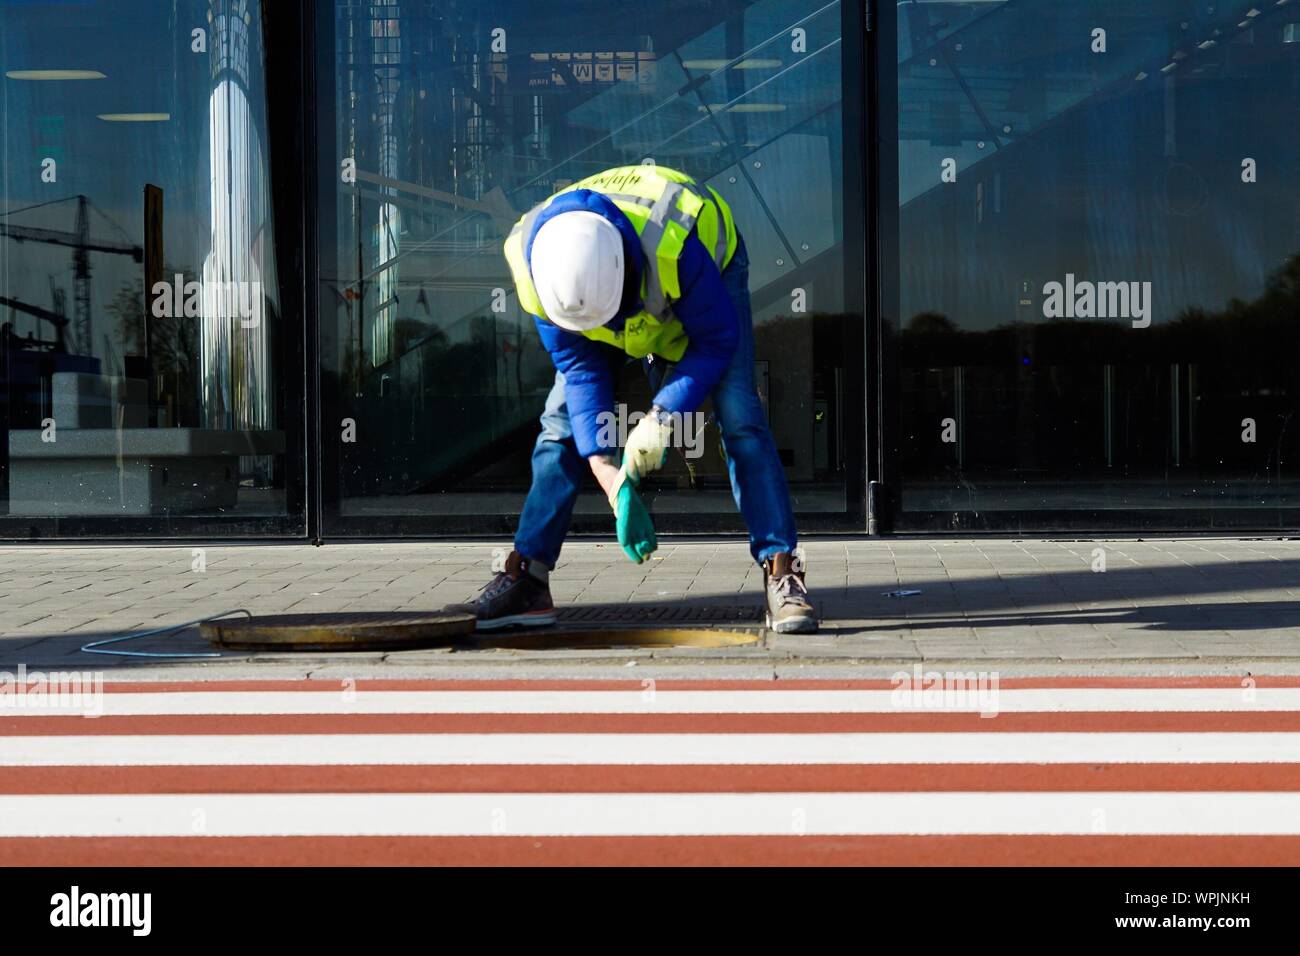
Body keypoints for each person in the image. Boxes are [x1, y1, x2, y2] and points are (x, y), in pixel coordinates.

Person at [453, 164, 816, 634]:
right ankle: (528, 578)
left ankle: (781, 569)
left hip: (710, 274)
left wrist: (661, 419)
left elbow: (714, 341)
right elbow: (581, 369)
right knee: (558, 426)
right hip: (597, 303)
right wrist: (612, 480)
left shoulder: (676, 241)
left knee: (740, 415)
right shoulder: (534, 270)